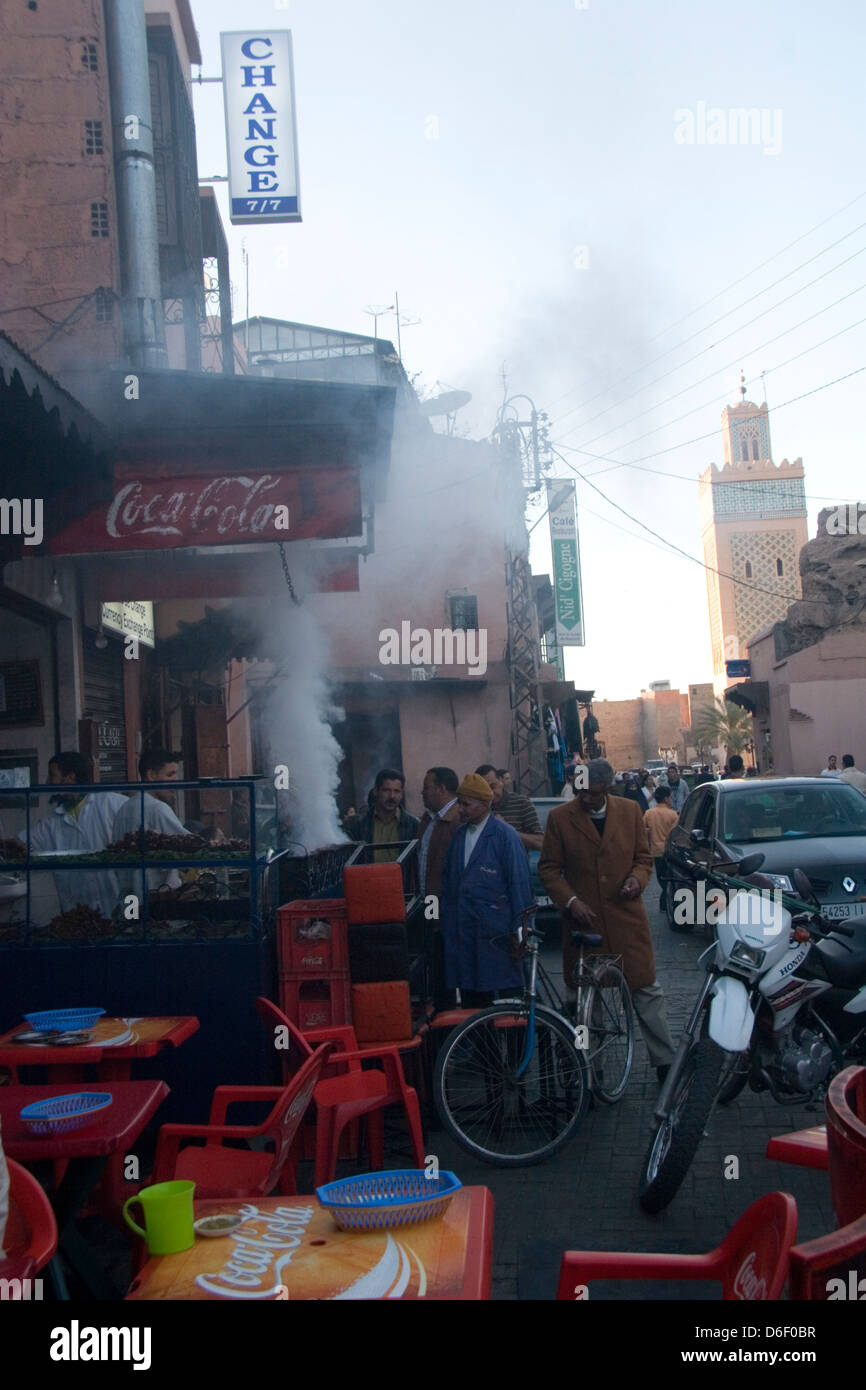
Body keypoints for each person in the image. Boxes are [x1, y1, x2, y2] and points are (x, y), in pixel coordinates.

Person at [538, 758, 676, 1083]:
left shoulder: (629, 812)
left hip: (626, 922)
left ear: (608, 789)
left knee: (646, 991)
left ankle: (665, 1062)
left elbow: (643, 859)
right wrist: (571, 902)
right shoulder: (560, 819)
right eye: (581, 792)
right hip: (583, 927)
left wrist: (636, 881)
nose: (586, 799)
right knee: (585, 999)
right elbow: (549, 869)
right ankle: (590, 1067)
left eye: (594, 794)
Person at [440, 773, 533, 1007]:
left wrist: (520, 932)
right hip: (465, 936)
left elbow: (520, 887)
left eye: (465, 804)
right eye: (459, 802)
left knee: (510, 1006)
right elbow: (449, 886)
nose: (460, 809)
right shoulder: (459, 837)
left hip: (497, 939)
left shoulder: (506, 837)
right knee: (473, 1004)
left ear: (484, 804)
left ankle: (517, 1045)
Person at [22, 751, 127, 920]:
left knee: (127, 937)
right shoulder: (51, 823)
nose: (47, 782)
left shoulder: (114, 804)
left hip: (123, 911)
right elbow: (20, 846)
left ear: (70, 777)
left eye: (52, 775)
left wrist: (135, 918)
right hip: (79, 920)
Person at [111, 748, 193, 900]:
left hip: (129, 898)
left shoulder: (125, 808)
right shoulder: (157, 808)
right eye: (170, 775)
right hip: (157, 900)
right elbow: (191, 847)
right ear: (151, 776)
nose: (176, 781)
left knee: (132, 923)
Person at [344, 768, 419, 863]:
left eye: (396, 791)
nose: (392, 796)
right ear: (376, 791)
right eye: (386, 790)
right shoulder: (359, 825)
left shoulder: (413, 825)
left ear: (402, 794)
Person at [475, 764, 543, 852]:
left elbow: (541, 843)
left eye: (493, 786)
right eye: (484, 790)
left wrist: (507, 829)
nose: (490, 793)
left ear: (500, 781)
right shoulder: (476, 808)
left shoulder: (521, 803)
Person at [417, 767, 460, 898]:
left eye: (426, 788)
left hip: (449, 904)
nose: (422, 792)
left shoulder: (460, 819)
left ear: (441, 789)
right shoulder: (427, 818)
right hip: (427, 901)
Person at [644, 785, 679, 901]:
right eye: (670, 797)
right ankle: (667, 897)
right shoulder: (673, 815)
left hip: (656, 851)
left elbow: (642, 832)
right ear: (665, 799)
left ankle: (665, 897)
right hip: (670, 851)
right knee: (670, 877)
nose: (671, 799)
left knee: (661, 876)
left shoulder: (648, 814)